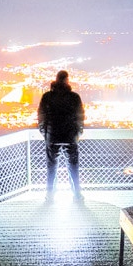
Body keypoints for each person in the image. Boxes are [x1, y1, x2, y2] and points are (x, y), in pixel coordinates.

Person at [37, 70, 84, 201]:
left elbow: (41, 116)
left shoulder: (47, 97)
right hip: (70, 136)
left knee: (51, 167)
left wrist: (45, 133)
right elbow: (80, 116)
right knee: (73, 167)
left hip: (52, 137)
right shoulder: (74, 97)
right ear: (67, 80)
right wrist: (78, 132)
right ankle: (76, 194)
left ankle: (50, 195)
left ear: (56, 80)